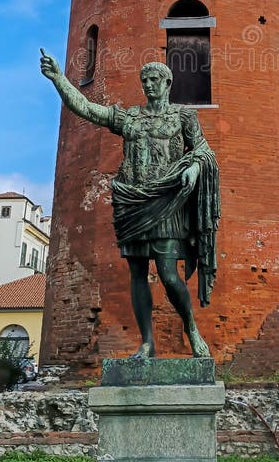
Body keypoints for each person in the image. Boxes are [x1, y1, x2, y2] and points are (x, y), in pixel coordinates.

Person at [40, 50, 220, 358]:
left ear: (168, 83)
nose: (148, 85)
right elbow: (85, 108)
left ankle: (190, 327)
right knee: (136, 272)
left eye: (154, 80)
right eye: (145, 80)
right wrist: (59, 79)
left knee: (167, 274)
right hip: (131, 200)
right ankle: (147, 342)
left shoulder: (183, 116)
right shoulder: (130, 117)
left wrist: (192, 166)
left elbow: (203, 150)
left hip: (166, 200)